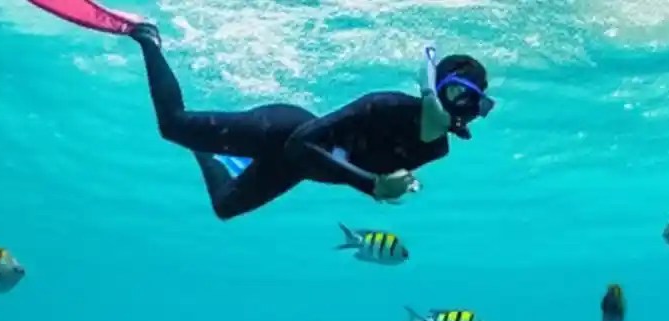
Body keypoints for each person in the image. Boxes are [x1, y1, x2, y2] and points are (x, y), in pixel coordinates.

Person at [126, 23, 493, 220]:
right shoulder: (385, 106)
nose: (462, 108)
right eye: (457, 94)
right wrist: (373, 186)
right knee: (172, 126)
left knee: (225, 207)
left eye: (473, 103)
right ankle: (148, 38)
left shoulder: (437, 150)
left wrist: (386, 185)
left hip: (299, 165)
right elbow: (302, 143)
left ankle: (210, 154)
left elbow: (339, 162)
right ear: (435, 87)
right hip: (283, 130)